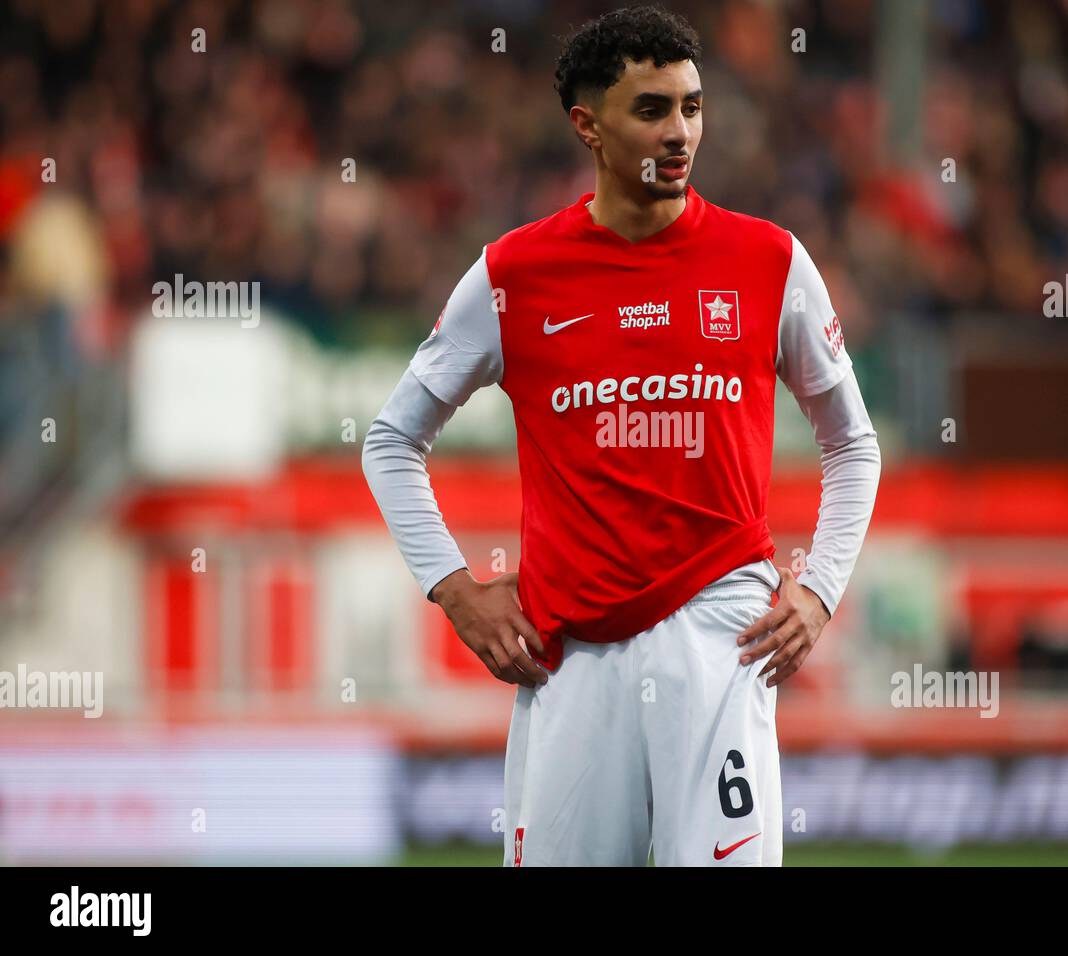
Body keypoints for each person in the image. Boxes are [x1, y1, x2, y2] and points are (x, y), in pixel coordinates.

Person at [362, 4, 881, 866]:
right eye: (652, 110)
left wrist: (820, 588)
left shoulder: (772, 263)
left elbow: (852, 442)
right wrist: (455, 590)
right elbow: (392, 439)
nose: (680, 133)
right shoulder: (512, 276)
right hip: (573, 660)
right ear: (588, 125)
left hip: (724, 645)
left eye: (692, 106)